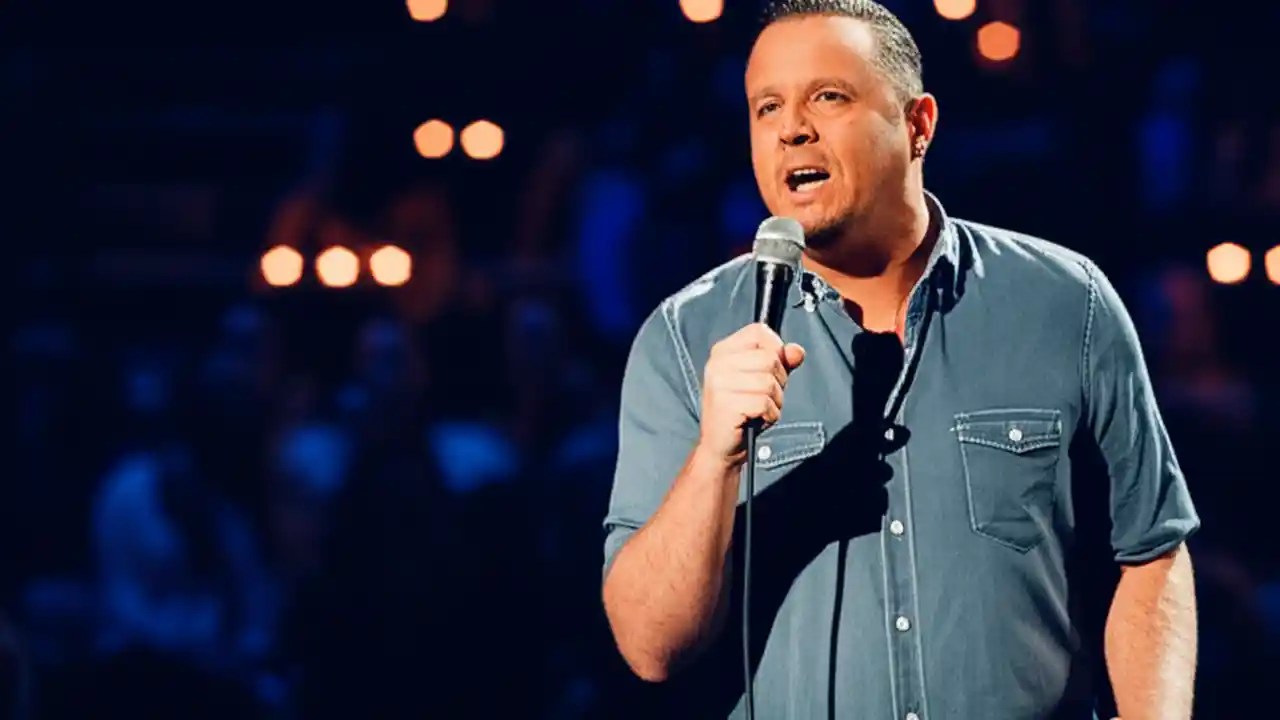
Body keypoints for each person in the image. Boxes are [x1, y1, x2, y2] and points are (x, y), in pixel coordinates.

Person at [600, 2, 1200, 719]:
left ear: (918, 126)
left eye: (829, 96)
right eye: (767, 107)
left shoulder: (1066, 303)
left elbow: (1149, 552)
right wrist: (714, 460)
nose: (792, 127)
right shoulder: (685, 336)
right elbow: (648, 647)